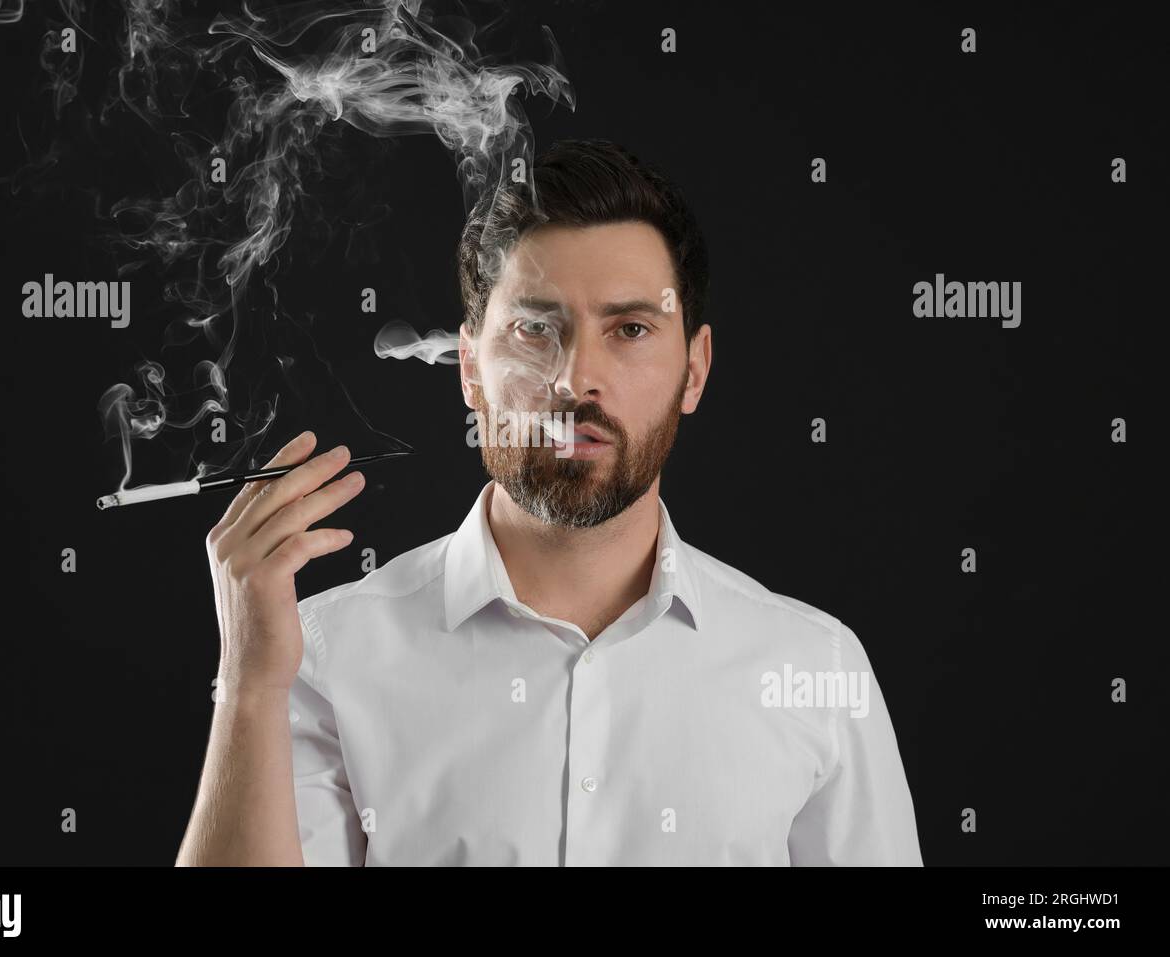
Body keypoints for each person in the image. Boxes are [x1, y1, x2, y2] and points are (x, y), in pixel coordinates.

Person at [176, 139, 922, 866]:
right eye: (536, 329)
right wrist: (247, 682)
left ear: (694, 371)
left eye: (630, 329)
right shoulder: (321, 658)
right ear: (470, 369)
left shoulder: (814, 669)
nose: (575, 380)